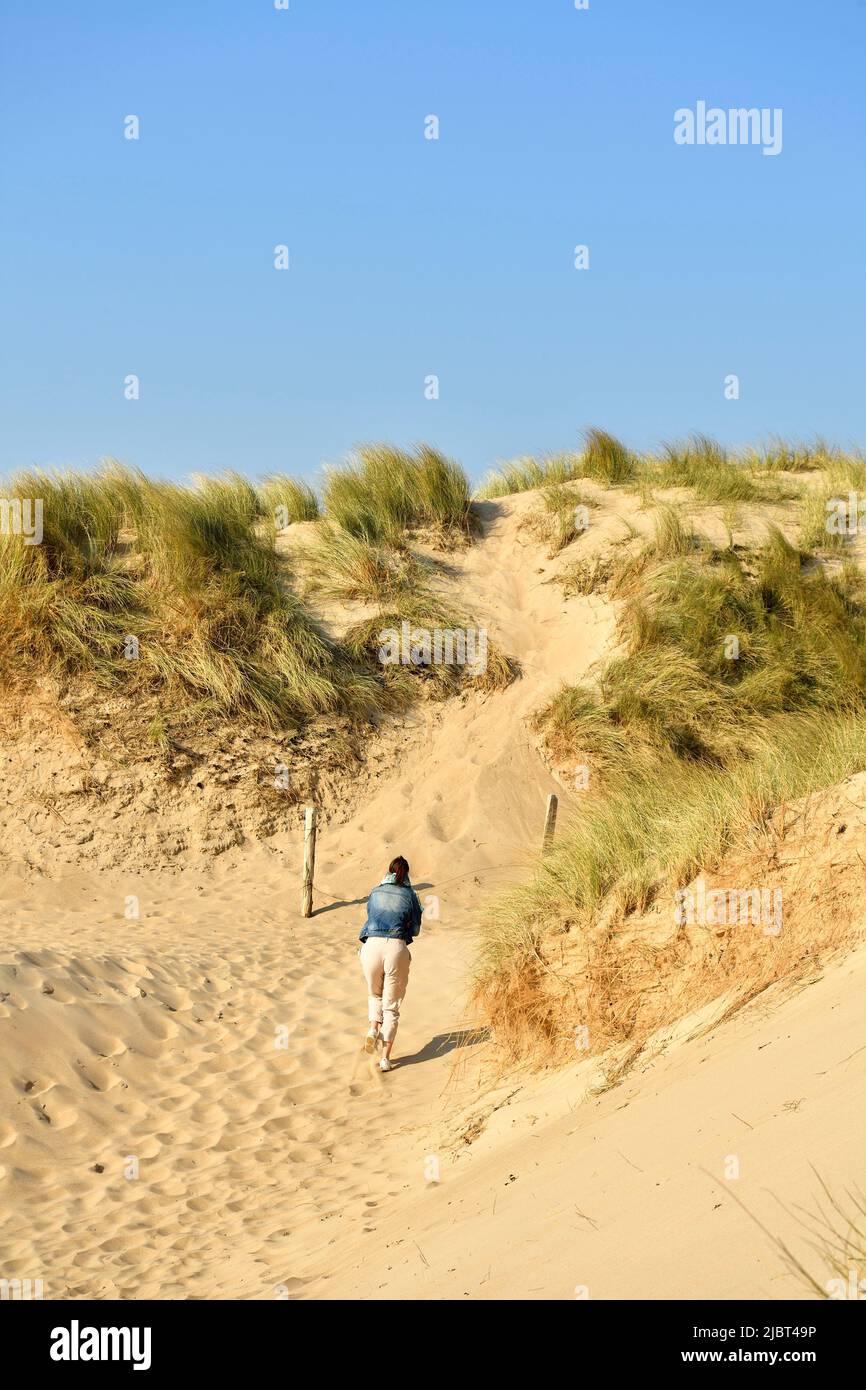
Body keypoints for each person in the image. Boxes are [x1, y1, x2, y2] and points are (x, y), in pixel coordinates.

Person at [358, 856, 422, 1072]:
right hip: (396, 948)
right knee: (391, 1008)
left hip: (371, 947)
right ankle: (385, 1059)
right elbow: (415, 930)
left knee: (374, 995)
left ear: (389, 871)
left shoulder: (376, 891)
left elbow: (369, 918)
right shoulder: (410, 895)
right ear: (406, 873)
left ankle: (373, 1029)